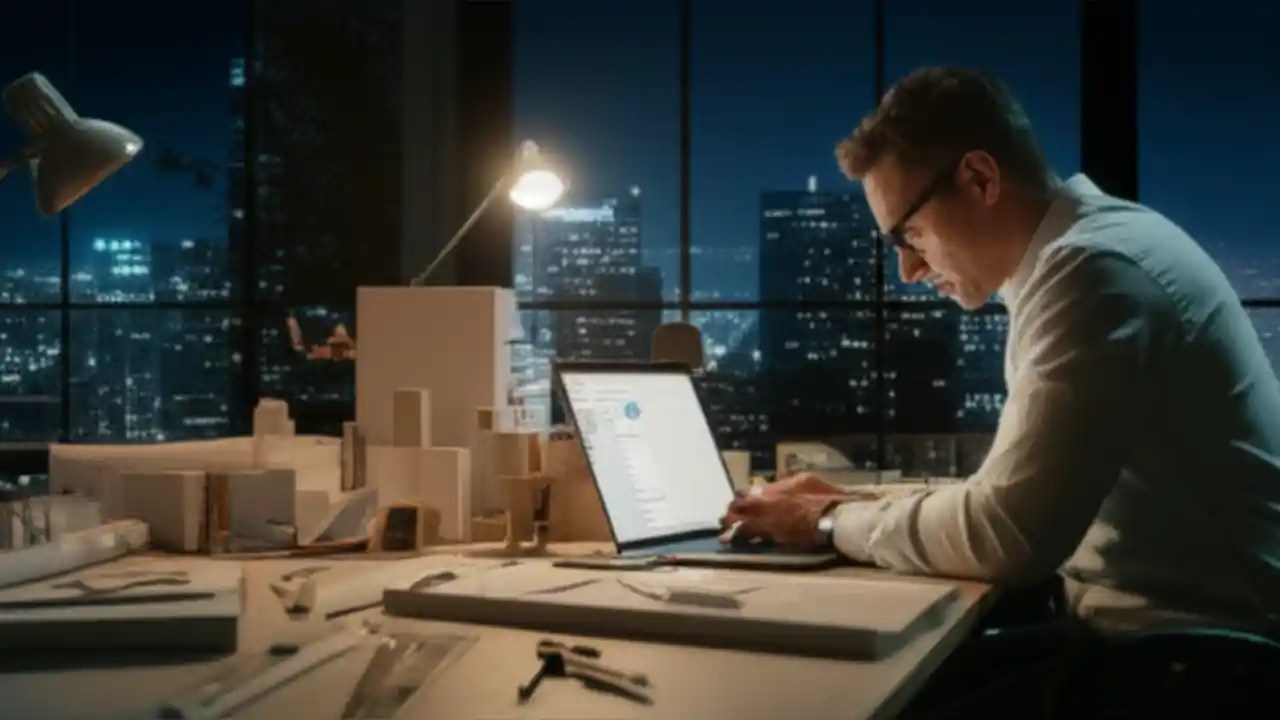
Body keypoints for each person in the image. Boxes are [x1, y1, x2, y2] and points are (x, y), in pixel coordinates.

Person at [721, 66, 1280, 711]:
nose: (907, 269)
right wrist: (857, 499)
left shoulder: (1094, 274)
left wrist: (825, 521)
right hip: (1161, 640)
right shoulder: (1088, 254)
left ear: (980, 178)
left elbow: (1010, 534)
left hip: (1200, 666)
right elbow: (1013, 496)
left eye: (909, 234)